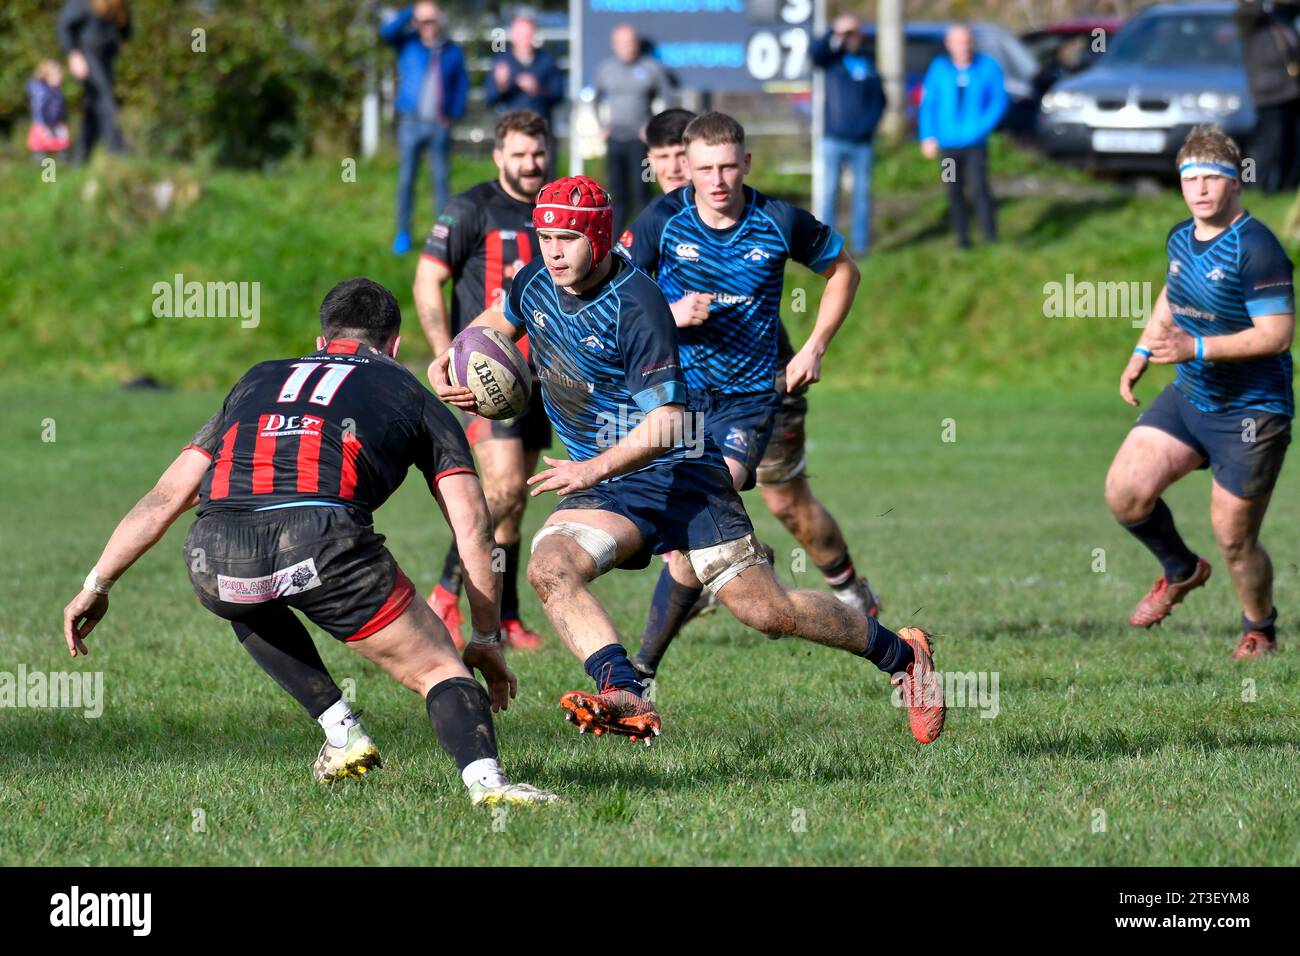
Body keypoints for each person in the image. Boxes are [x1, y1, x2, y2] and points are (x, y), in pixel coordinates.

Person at [429, 175, 945, 746]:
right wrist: (448, 360)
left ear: (598, 238)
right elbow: (487, 330)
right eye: (546, 236)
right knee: (551, 567)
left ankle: (902, 654)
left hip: (679, 475)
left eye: (568, 238)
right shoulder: (533, 283)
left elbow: (669, 422)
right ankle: (623, 691)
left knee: (769, 614)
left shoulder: (637, 304)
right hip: (606, 486)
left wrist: (590, 468)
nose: (553, 250)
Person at [62, 278, 558, 805]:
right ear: (393, 344)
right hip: (323, 543)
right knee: (438, 668)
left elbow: (166, 497)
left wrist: (98, 581)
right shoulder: (413, 393)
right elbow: (473, 528)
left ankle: (342, 733)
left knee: (244, 592)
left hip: (217, 550)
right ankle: (488, 785)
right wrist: (484, 636)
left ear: (322, 340)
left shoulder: (257, 379)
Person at [618, 111, 880, 679]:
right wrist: (668, 311)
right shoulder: (662, 219)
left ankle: (640, 673)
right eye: (705, 168)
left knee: (716, 500)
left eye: (729, 167)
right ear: (685, 167)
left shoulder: (778, 220)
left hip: (750, 398)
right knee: (697, 530)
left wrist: (814, 348)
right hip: (680, 399)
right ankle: (642, 671)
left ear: (747, 164)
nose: (717, 180)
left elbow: (843, 272)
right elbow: (619, 293)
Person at [1106, 125, 1295, 659]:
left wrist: (1197, 348)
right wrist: (1143, 351)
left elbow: (1277, 335)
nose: (1202, 188)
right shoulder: (1180, 237)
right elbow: (1172, 292)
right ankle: (1181, 569)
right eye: (1192, 178)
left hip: (1252, 413)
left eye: (1214, 177)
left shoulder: (1257, 248)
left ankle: (1260, 628)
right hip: (1191, 397)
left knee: (1235, 539)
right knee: (1125, 492)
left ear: (1236, 183)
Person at [415, 111, 553, 650]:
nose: (529, 164)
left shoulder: (555, 210)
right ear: (499, 156)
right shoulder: (472, 207)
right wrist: (444, 354)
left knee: (514, 502)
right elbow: (429, 279)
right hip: (485, 376)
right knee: (503, 489)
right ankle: (445, 598)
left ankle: (508, 615)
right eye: (518, 154)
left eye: (537, 153)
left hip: (542, 375)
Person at [380, 3, 470, 255]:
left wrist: (454, 114)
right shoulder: (407, 44)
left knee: (441, 181)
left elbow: (461, 85)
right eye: (423, 22)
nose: (427, 26)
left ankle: (442, 237)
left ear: (439, 22)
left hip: (439, 125)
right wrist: (413, 10)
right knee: (407, 180)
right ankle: (403, 233)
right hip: (410, 123)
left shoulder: (452, 51)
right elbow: (386, 32)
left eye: (432, 21)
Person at [918, 24, 1006, 249]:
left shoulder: (987, 67)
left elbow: (999, 101)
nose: (963, 47)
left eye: (966, 42)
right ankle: (962, 238)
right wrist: (927, 136)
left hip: (975, 144)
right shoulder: (939, 69)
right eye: (958, 42)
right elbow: (928, 104)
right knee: (953, 190)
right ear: (949, 44)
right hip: (948, 145)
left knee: (979, 188)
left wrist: (981, 127)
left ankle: (990, 237)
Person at [811, 14, 885, 258]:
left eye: (854, 33)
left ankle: (861, 247)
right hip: (833, 139)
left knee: (862, 196)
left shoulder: (868, 62)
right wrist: (835, 29)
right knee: (829, 193)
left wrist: (867, 127)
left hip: (862, 143)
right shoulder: (832, 61)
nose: (851, 38)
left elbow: (880, 101)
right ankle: (825, 247)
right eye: (847, 34)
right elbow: (815, 53)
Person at [595, 24, 675, 235]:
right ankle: (613, 248)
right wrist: (602, 126)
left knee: (642, 193)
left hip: (641, 144)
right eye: (622, 43)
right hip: (615, 141)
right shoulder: (606, 69)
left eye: (631, 42)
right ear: (614, 45)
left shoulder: (651, 67)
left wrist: (652, 127)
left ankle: (646, 239)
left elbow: (668, 98)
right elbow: (594, 99)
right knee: (616, 195)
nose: (627, 47)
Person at [1233, 0, 1300, 194]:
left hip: (1291, 89)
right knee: (1263, 146)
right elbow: (1254, 9)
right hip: (1269, 93)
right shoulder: (1246, 15)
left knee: (1292, 143)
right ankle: (1249, 183)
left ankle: (1287, 187)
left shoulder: (1278, 15)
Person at [57, 0, 130, 164]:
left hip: (107, 58)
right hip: (88, 56)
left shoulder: (118, 4)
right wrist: (73, 54)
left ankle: (80, 157)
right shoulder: (83, 3)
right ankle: (116, 147)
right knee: (104, 98)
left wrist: (122, 40)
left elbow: (125, 26)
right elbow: (65, 25)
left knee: (93, 107)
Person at [485, 15, 563, 133]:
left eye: (528, 35)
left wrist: (537, 89)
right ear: (513, 36)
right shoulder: (501, 61)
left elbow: (558, 95)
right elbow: (490, 98)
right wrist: (501, 85)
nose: (525, 40)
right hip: (510, 131)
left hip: (540, 129)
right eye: (521, 35)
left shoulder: (547, 61)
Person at [27, 60, 72, 159]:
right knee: (41, 144)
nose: (59, 77)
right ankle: (40, 161)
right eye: (56, 75)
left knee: (62, 142)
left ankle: (64, 161)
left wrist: (64, 121)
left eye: (60, 74)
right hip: (43, 123)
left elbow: (62, 108)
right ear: (46, 76)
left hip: (57, 122)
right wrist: (43, 124)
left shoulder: (57, 90)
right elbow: (39, 109)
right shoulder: (42, 93)